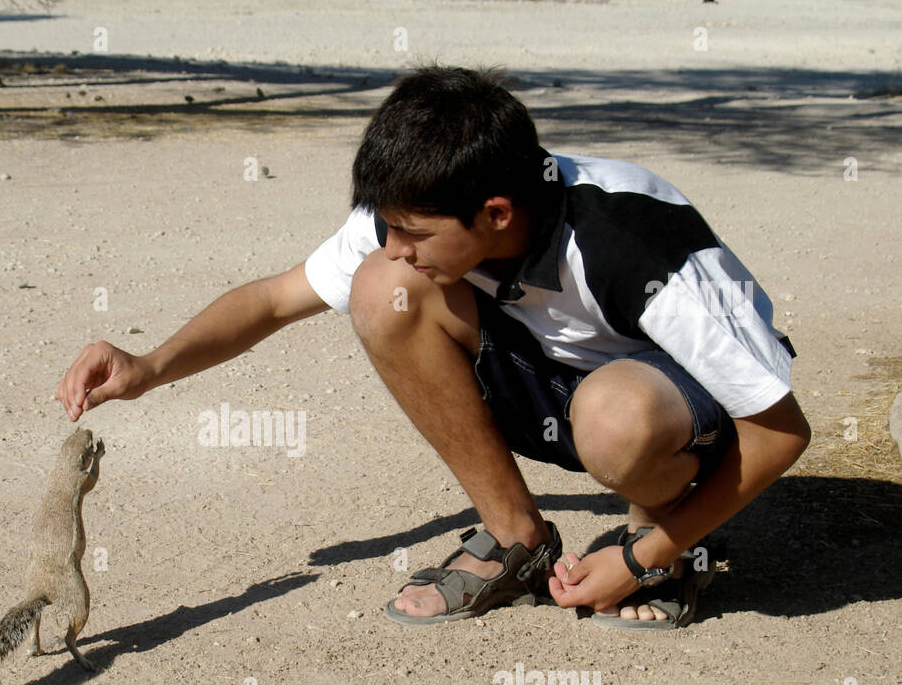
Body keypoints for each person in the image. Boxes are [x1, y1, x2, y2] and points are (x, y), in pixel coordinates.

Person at [55, 66, 810, 630]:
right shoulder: (422, 207)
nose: (394, 244)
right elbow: (274, 299)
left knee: (616, 416)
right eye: (386, 223)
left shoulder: (633, 242)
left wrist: (638, 555)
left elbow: (780, 431)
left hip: (670, 407)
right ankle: (519, 536)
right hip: (563, 388)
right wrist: (148, 366)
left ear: (497, 212)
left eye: (412, 232)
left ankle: (657, 535)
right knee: (382, 292)